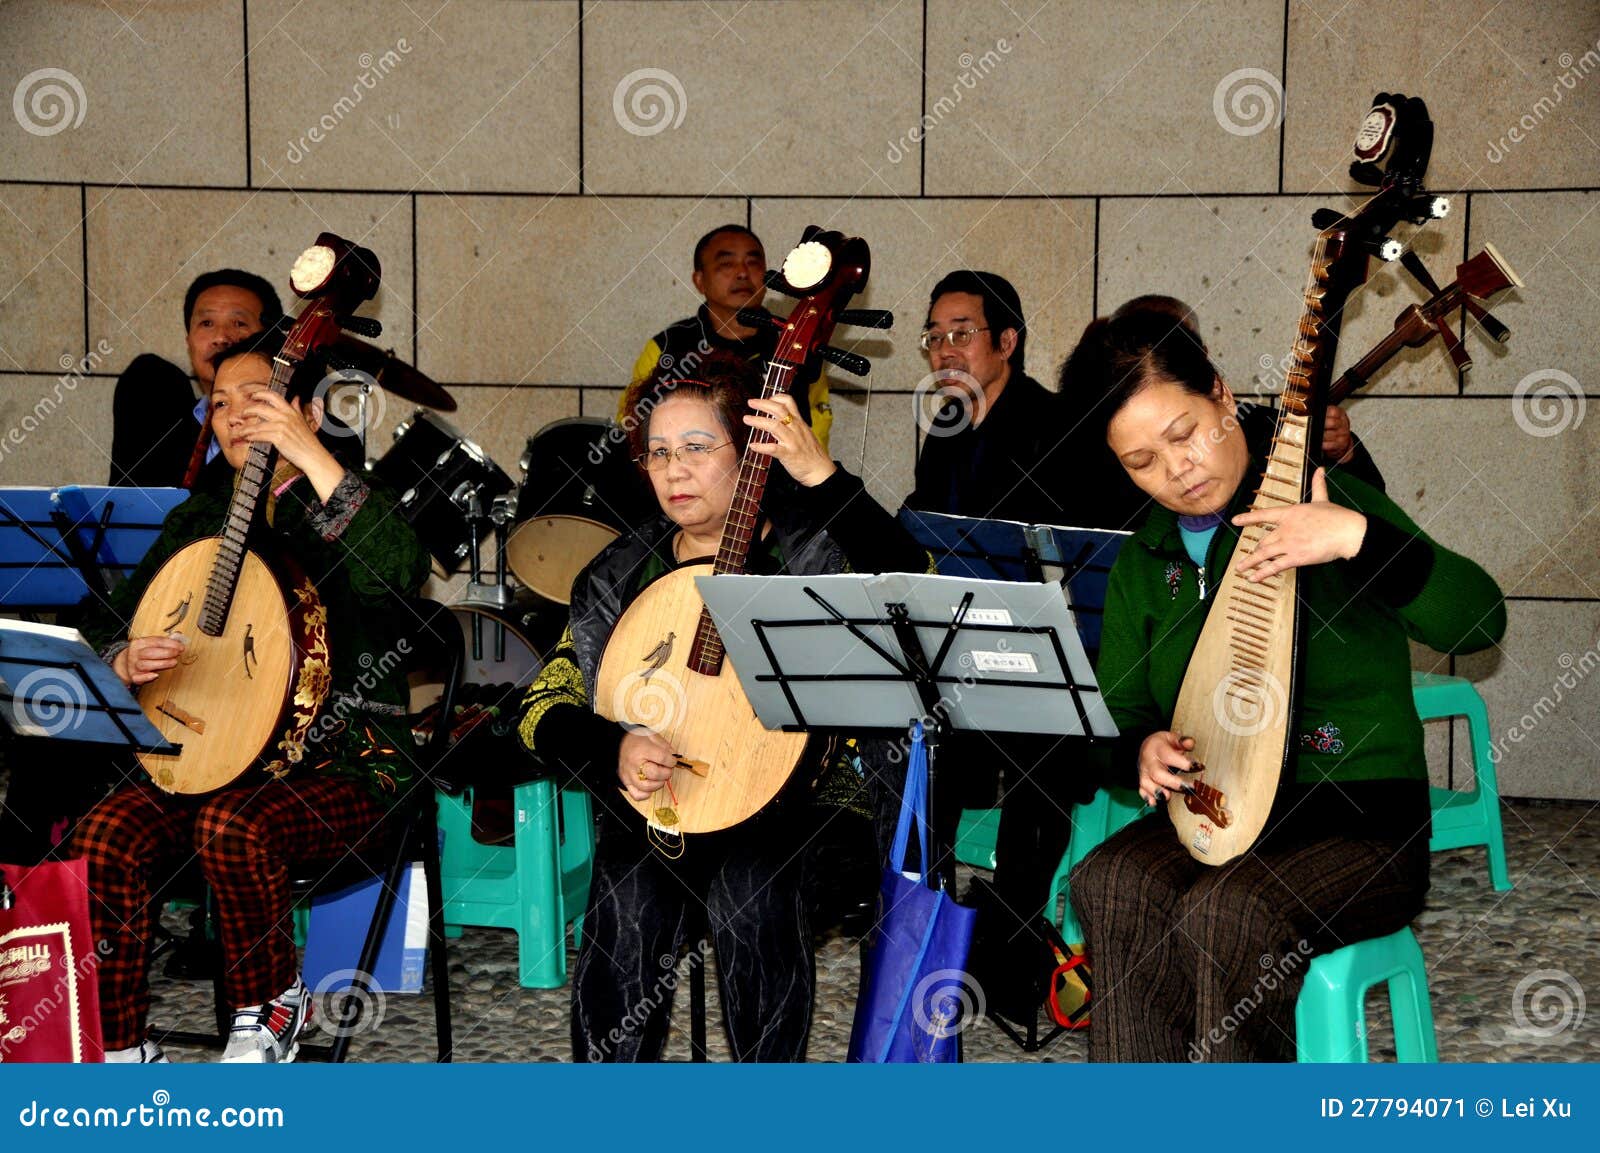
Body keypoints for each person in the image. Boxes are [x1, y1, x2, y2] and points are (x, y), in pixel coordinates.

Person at [1064, 305, 1505, 1061]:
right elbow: (1119, 707)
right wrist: (1137, 747)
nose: (1177, 469)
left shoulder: (1326, 502)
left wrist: (1355, 538)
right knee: (1106, 880)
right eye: (1141, 461)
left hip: (1360, 822)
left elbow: (1479, 622)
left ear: (1225, 397)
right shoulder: (1147, 558)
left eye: (1184, 433)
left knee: (1229, 914)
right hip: (1219, 812)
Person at [518, 351, 925, 1061]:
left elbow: (911, 581)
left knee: (751, 883)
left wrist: (824, 479)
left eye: (698, 448)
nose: (675, 470)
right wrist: (608, 747)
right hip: (673, 799)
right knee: (628, 891)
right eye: (659, 453)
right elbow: (541, 704)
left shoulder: (813, 551)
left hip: (809, 805)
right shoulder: (620, 573)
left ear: (753, 455)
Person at [71, 328, 429, 1063]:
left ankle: (267, 1007)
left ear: (299, 407)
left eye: (256, 399)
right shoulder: (198, 518)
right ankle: (121, 1051)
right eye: (219, 401)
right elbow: (102, 623)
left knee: (233, 825)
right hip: (206, 762)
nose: (233, 415)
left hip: (344, 770)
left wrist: (310, 454)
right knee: (107, 831)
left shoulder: (336, 497)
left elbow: (399, 569)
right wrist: (122, 654)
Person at [618, 224, 833, 451]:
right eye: (726, 264)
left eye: (753, 262)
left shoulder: (797, 343)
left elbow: (816, 426)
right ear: (699, 280)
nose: (742, 273)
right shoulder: (667, 346)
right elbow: (633, 426)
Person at [108, 269, 282, 489]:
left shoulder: (296, 427)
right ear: (188, 341)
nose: (221, 337)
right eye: (206, 323)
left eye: (239, 323)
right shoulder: (159, 420)